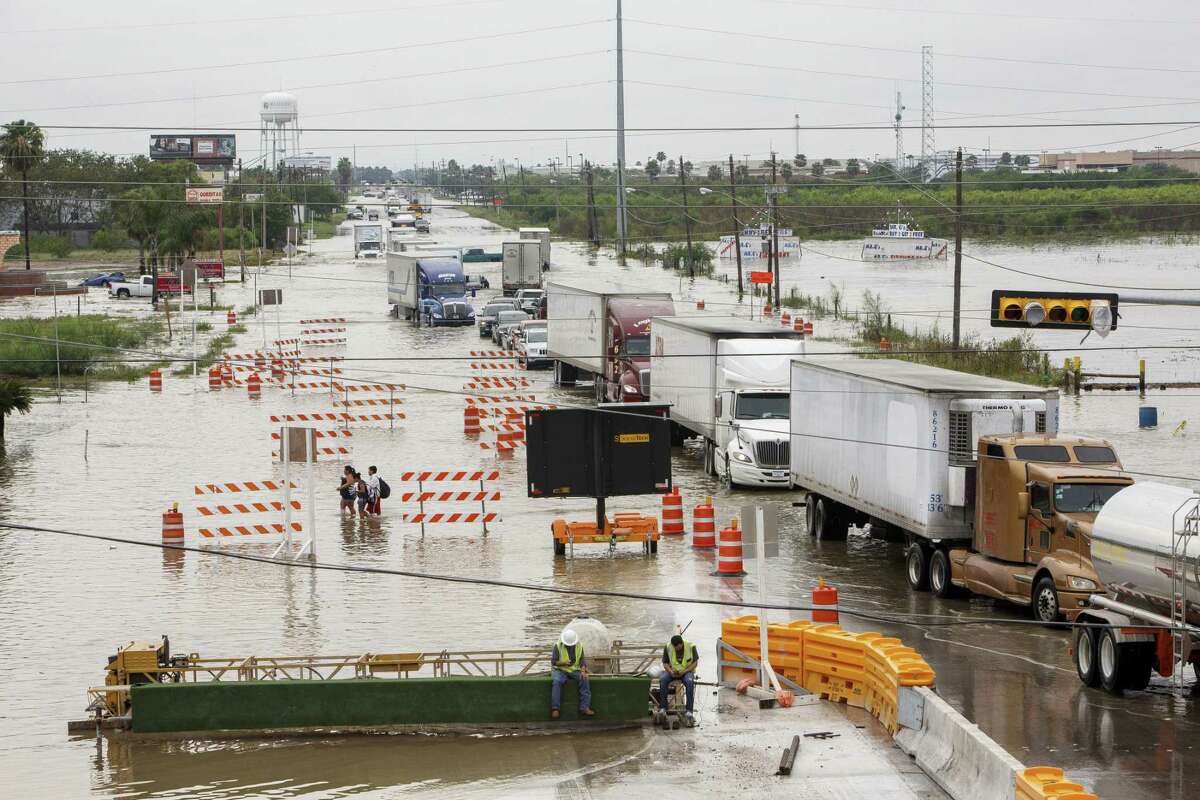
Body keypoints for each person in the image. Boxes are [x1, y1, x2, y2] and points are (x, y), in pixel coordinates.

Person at [550, 629, 594, 720]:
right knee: (557, 682)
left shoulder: (579, 646)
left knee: (585, 679)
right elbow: (553, 662)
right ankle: (555, 708)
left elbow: (582, 661)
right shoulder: (558, 646)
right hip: (560, 670)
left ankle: (584, 707)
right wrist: (563, 663)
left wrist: (583, 671)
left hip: (574, 670)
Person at [659, 634, 698, 724]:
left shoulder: (691, 646)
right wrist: (670, 671)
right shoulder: (668, 646)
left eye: (677, 647)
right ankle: (663, 709)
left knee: (689, 682)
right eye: (674, 647)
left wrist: (685, 671)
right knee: (663, 680)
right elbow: (665, 663)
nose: (676, 648)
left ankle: (689, 711)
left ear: (681, 644)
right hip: (673, 671)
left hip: (687, 672)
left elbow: (695, 663)